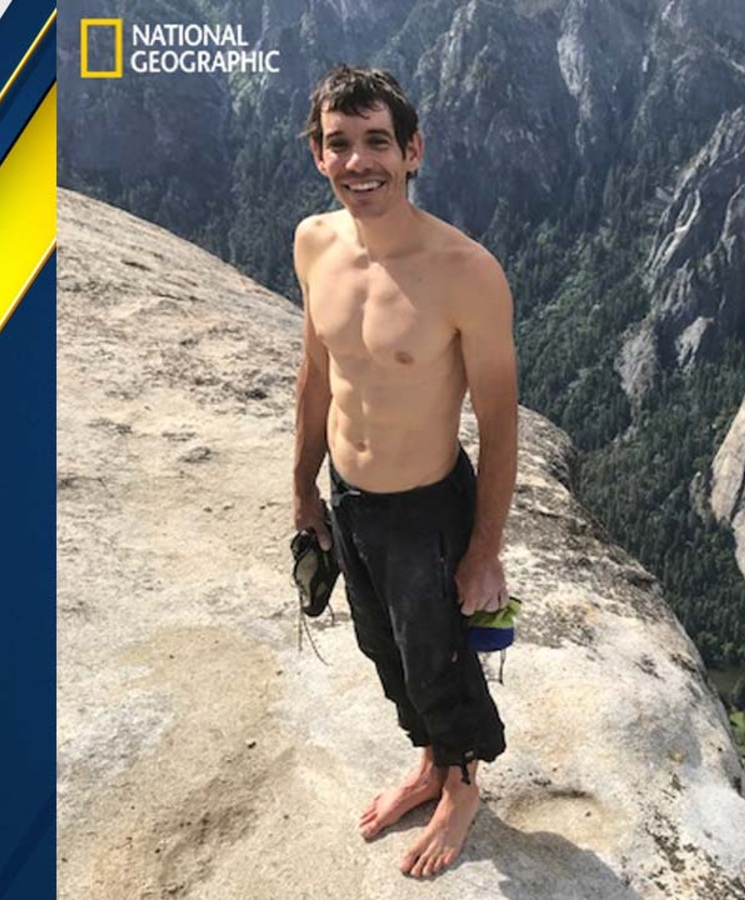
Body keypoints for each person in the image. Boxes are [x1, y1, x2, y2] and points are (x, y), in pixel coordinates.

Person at [290, 64, 517, 879]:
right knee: (384, 649)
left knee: (441, 658)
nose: (360, 162)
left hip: (428, 509)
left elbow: (497, 418)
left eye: (377, 142)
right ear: (318, 154)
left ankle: (461, 789)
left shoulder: (466, 271)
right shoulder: (313, 244)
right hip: (351, 504)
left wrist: (484, 549)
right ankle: (428, 762)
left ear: (413, 150)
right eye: (340, 144)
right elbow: (317, 377)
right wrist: (303, 491)